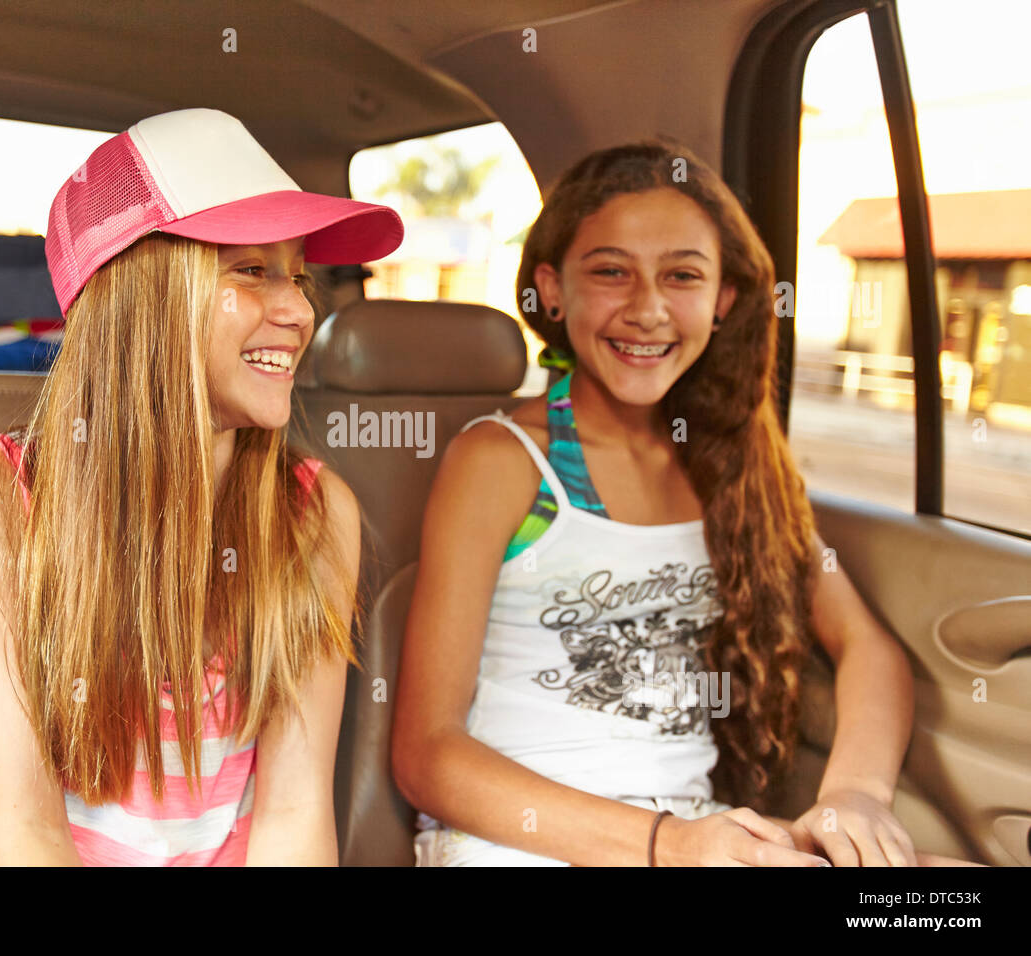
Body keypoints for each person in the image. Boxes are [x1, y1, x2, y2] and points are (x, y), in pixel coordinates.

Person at [0, 108, 403, 866]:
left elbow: (294, 813)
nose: (299, 310)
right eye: (252, 271)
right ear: (141, 296)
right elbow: (29, 834)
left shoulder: (313, 517)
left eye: (300, 276)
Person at [391, 140, 979, 867]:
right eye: (611, 272)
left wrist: (855, 795)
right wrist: (667, 845)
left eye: (683, 276)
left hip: (701, 837)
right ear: (550, 287)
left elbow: (865, 646)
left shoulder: (731, 465)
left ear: (723, 299)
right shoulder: (503, 461)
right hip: (519, 843)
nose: (647, 310)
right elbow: (426, 754)